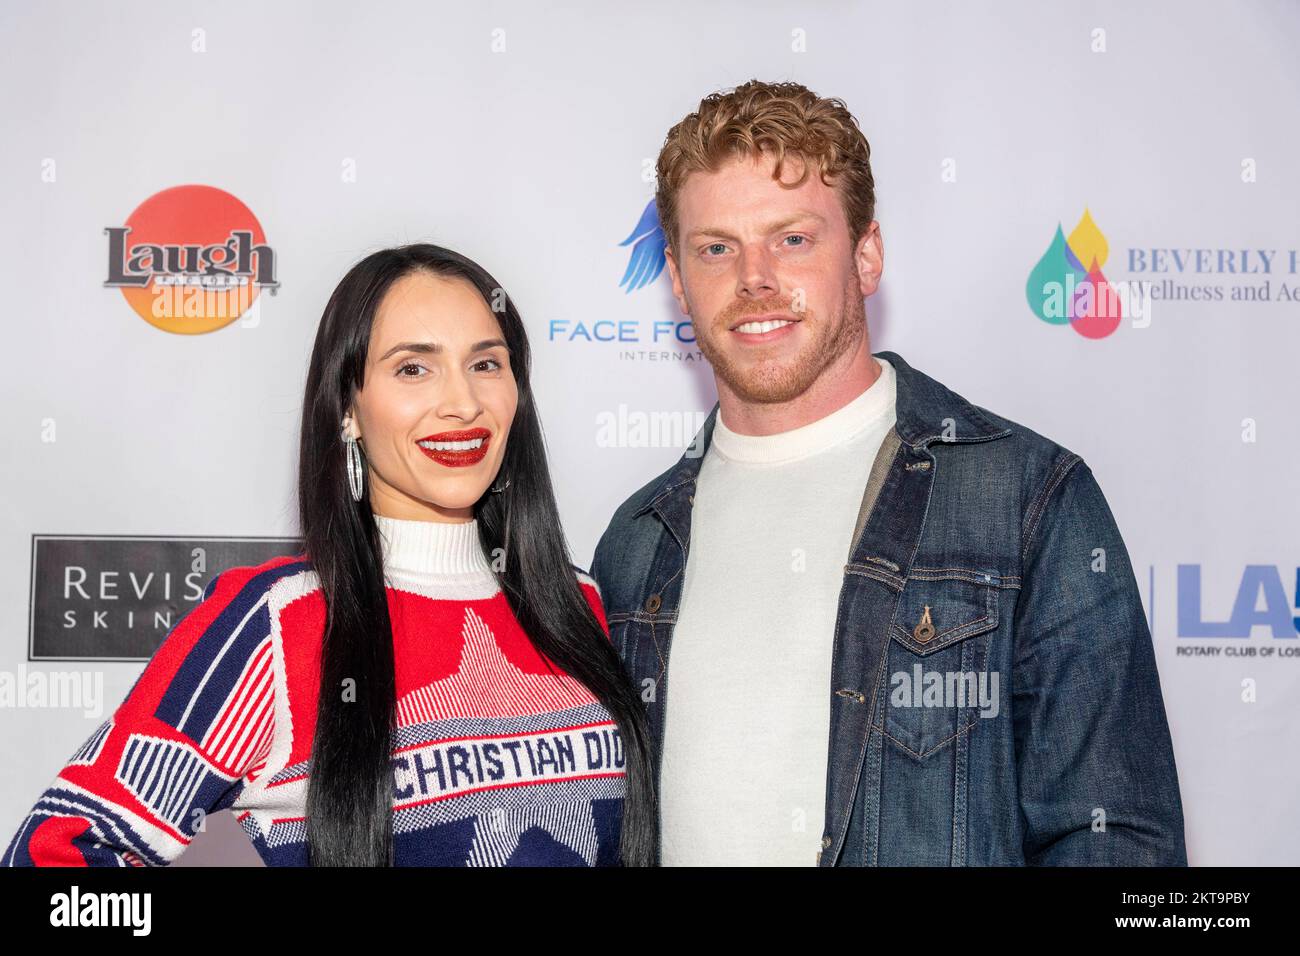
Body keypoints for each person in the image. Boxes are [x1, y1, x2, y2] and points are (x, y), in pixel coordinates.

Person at [591, 79, 1186, 866]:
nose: (755, 278)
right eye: (716, 248)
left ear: (866, 255)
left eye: (793, 239)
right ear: (675, 274)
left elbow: (1118, 843)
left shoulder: (1025, 501)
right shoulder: (636, 544)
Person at [5, 243, 655, 867]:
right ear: (349, 405)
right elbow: (55, 854)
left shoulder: (579, 602)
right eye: (412, 368)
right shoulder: (278, 623)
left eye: (486, 363)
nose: (463, 403)